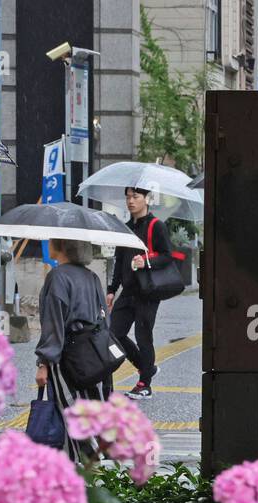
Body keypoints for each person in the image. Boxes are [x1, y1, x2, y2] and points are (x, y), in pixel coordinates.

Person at [35, 238, 112, 457]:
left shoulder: (57, 277)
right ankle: (101, 464)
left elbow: (53, 323)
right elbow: (103, 318)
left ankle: (84, 468)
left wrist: (43, 362)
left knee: (70, 414)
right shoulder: (92, 276)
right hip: (93, 356)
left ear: (60, 245)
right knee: (90, 410)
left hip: (66, 358)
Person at [107, 186, 173, 400]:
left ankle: (145, 384)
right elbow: (119, 262)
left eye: (135, 196)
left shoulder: (157, 226)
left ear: (147, 199)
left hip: (148, 292)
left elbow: (167, 256)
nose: (130, 201)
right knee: (114, 333)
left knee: (143, 337)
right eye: (127, 197)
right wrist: (111, 290)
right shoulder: (125, 229)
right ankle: (148, 368)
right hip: (128, 291)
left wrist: (146, 261)